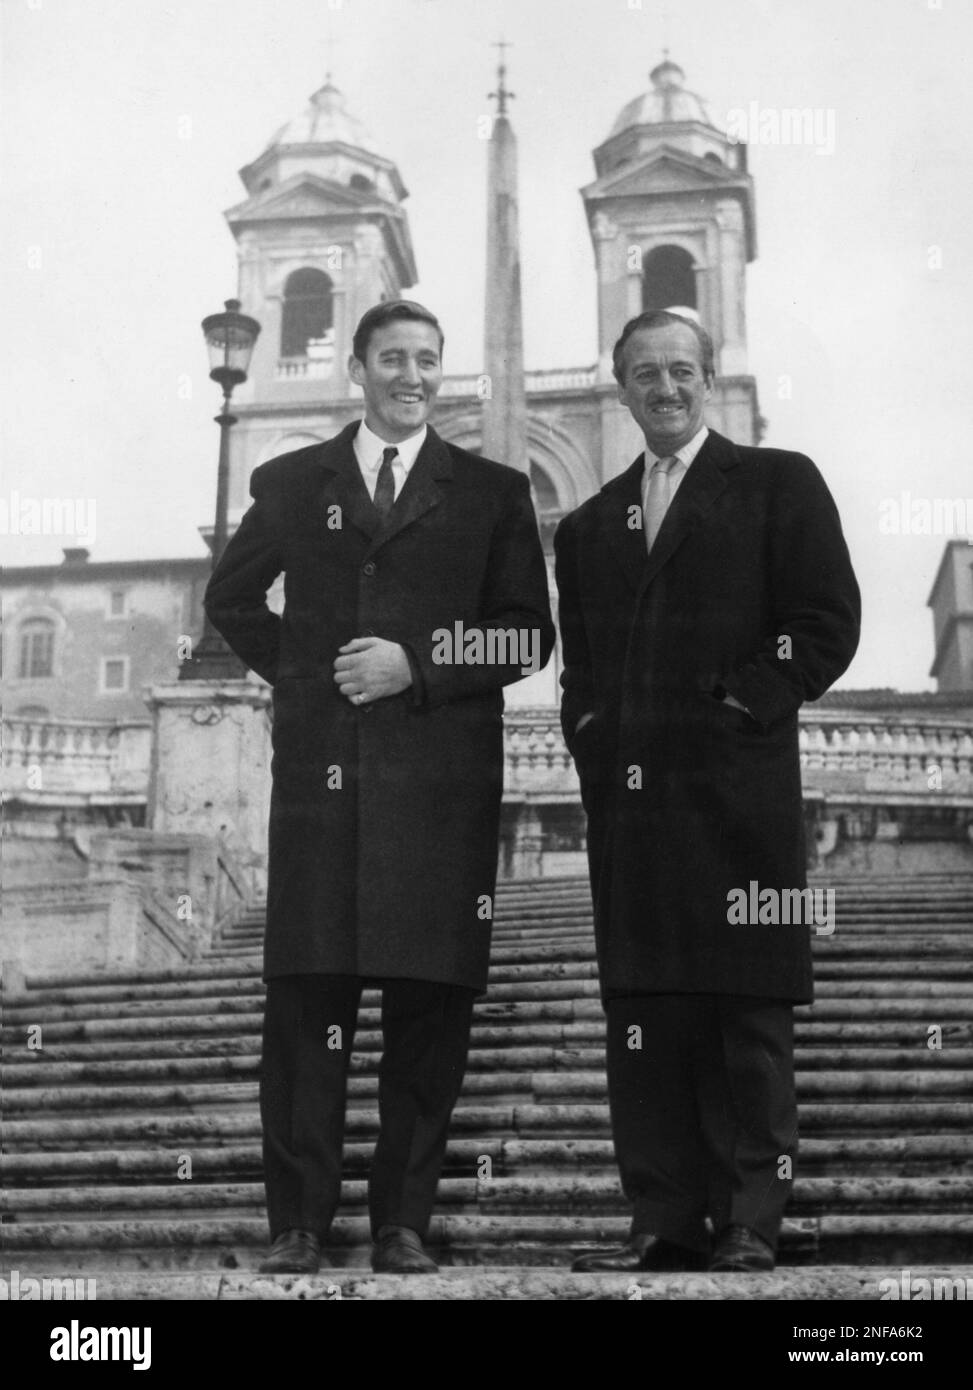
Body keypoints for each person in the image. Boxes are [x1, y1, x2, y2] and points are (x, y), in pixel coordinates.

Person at [204, 299, 554, 1275]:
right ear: (359, 367)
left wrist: (421, 667)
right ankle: (299, 1225)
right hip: (322, 783)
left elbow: (527, 632)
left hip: (438, 780)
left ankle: (401, 1221)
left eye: (428, 361)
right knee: (307, 1003)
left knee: (427, 1003)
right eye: (394, 357)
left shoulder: (489, 492)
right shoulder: (286, 482)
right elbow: (230, 599)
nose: (412, 375)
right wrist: (308, 679)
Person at [554, 309, 860, 1274]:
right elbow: (581, 677)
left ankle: (749, 1222)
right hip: (635, 814)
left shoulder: (777, 484)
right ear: (623, 389)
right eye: (645, 374)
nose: (666, 389)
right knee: (646, 1020)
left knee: (746, 1019)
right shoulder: (590, 525)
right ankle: (663, 1219)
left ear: (710, 379)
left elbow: (824, 622)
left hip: (737, 800)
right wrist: (595, 745)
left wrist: (742, 704)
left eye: (681, 370)